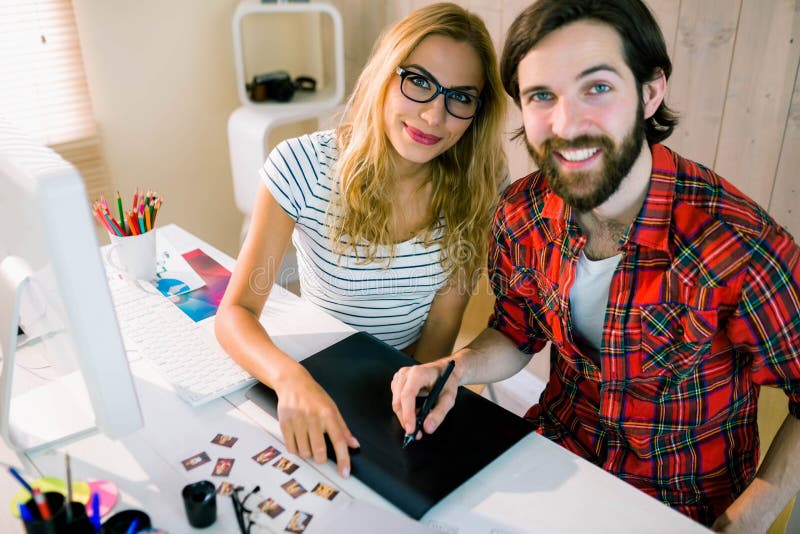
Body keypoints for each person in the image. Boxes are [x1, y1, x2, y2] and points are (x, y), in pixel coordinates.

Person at [391, 0, 800, 531]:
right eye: (542, 96)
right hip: (554, 459)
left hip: (684, 504)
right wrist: (456, 369)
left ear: (651, 93)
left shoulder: (738, 244)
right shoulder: (522, 211)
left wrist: (744, 521)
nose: (566, 124)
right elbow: (517, 334)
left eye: (597, 87)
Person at [215, 2, 506, 480]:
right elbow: (235, 314)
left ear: (477, 112)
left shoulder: (479, 185)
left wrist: (405, 417)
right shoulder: (301, 166)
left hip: (401, 381)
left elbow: (441, 328)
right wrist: (291, 380)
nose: (434, 115)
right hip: (316, 371)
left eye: (460, 97)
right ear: (385, 76)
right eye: (419, 82)